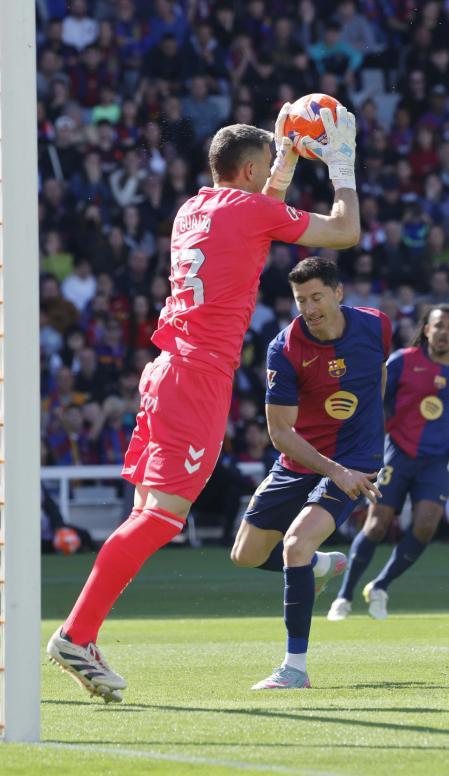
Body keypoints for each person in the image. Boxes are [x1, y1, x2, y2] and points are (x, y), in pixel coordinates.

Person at [47, 102, 360, 703]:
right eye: (268, 164)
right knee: (161, 519)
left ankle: (82, 635)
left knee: (149, 514)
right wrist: (340, 163)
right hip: (198, 378)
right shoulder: (251, 210)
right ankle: (76, 635)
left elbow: (259, 210)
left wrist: (284, 158)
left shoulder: (194, 207)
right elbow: (345, 231)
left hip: (166, 369)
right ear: (250, 171)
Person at [231, 257, 392, 690]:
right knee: (245, 555)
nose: (309, 307)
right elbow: (280, 433)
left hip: (356, 461)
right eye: (301, 300)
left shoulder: (377, 325)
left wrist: (368, 443)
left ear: (338, 293)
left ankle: (294, 669)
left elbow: (376, 377)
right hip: (301, 460)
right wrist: (334, 470)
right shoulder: (284, 348)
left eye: (317, 297)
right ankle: (321, 565)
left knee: (296, 544)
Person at [328, 305, 449, 621]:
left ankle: (380, 585)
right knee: (377, 523)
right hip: (397, 452)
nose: (444, 333)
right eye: (439, 326)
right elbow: (374, 399)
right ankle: (344, 596)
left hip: (436, 461)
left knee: (426, 526)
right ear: (427, 329)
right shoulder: (403, 361)